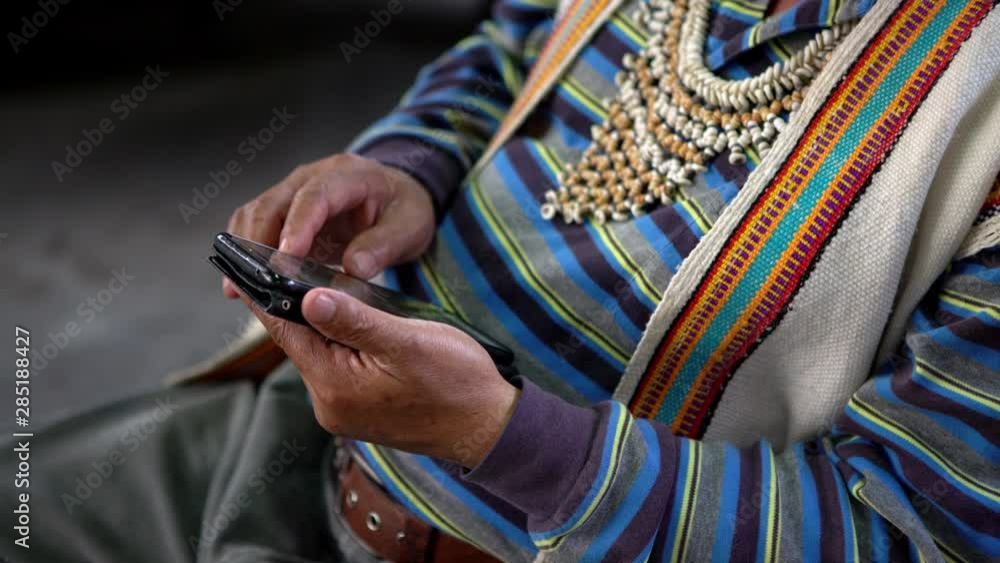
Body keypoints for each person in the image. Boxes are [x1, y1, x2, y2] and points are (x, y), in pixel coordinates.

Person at [7, 0, 1000, 561]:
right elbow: (514, 40)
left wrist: (503, 438)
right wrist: (407, 166)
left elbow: (909, 537)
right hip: (291, 445)